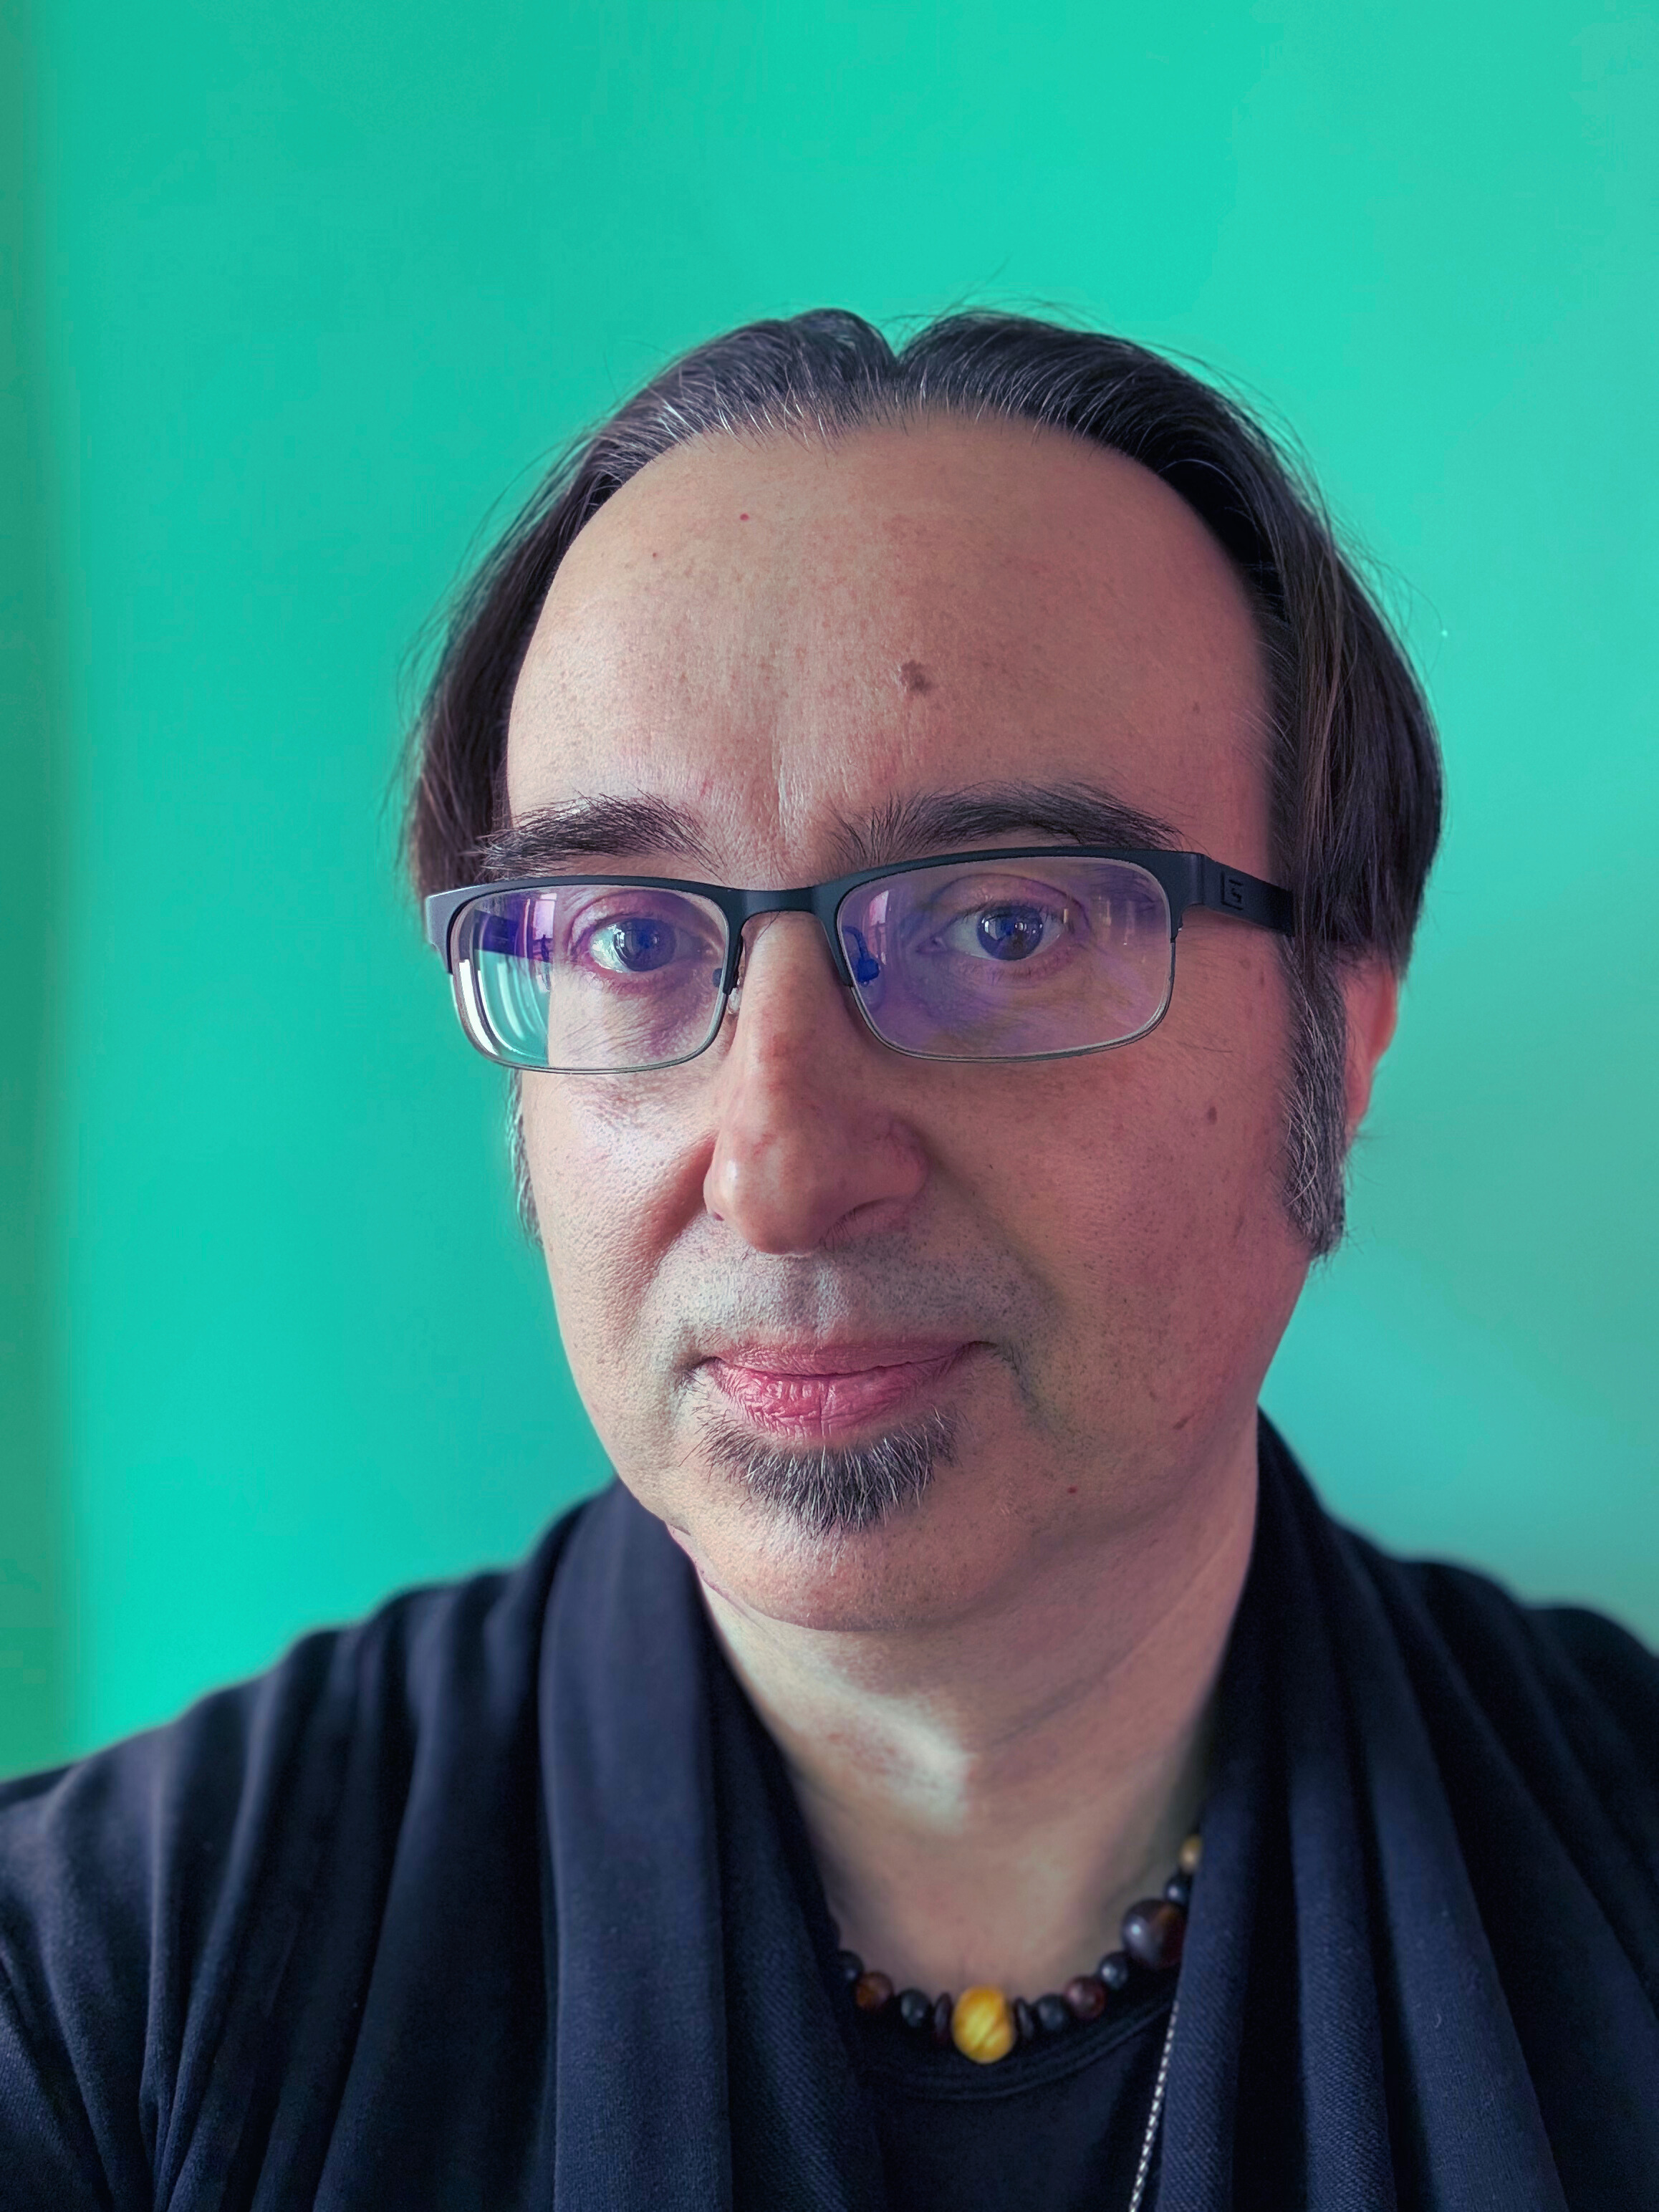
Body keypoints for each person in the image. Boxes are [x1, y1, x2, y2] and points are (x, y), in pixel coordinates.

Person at [1, 311, 1655, 2212]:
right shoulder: (103, 2003)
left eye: (1009, 925)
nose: (780, 1172)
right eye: (626, 940)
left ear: (1342, 1028)